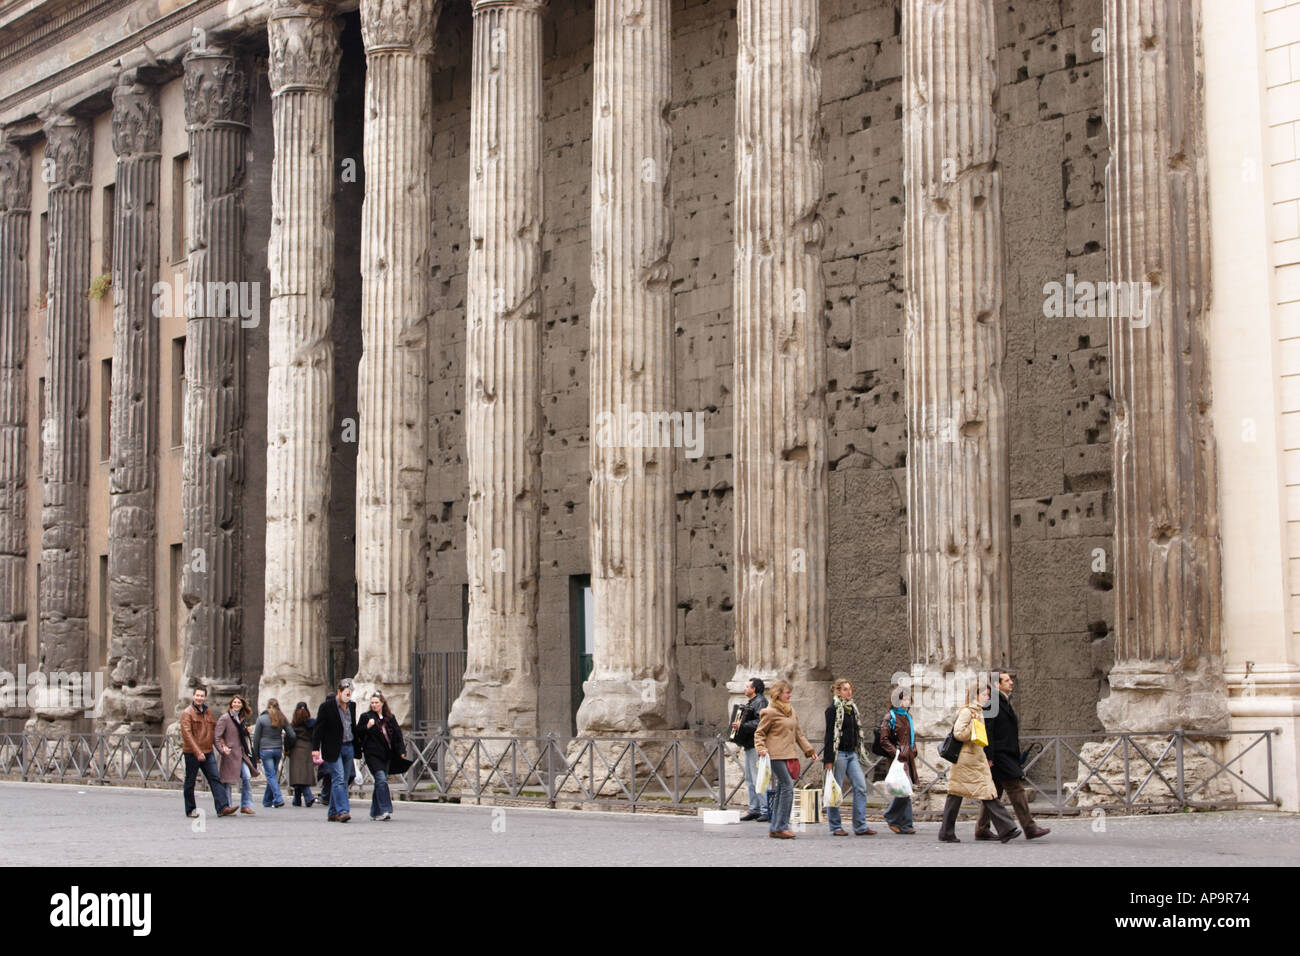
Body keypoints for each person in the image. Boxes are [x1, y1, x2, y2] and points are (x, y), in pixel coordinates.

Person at [937, 680, 1019, 844]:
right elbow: (959, 733)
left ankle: (946, 832)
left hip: (973, 759)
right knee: (986, 792)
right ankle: (1007, 828)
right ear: (975, 695)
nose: (987, 698)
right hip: (967, 761)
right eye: (984, 694)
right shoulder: (968, 711)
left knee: (957, 794)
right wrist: (974, 725)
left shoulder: (978, 711)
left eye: (988, 695)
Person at [975, 671, 1050, 841]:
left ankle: (981, 828)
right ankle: (1029, 827)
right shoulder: (993, 702)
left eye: (1010, 679)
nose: (1011, 682)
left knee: (993, 792)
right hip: (1000, 755)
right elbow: (988, 730)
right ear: (997, 684)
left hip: (1005, 754)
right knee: (1016, 789)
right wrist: (989, 756)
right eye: (1006, 680)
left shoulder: (1003, 700)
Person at [754, 679, 818, 839]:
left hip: (789, 753)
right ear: (778, 694)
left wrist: (809, 751)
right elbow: (759, 733)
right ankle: (781, 826)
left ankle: (775, 827)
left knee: (783, 788)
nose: (789, 695)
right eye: (787, 692)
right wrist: (761, 748)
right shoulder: (769, 712)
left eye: (790, 692)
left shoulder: (791, 710)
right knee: (788, 787)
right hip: (775, 755)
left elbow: (799, 733)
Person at [822, 678, 876, 836]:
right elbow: (829, 735)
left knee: (861, 787)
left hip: (851, 753)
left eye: (850, 689)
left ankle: (860, 825)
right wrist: (829, 760)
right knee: (835, 790)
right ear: (838, 691)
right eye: (845, 689)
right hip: (839, 754)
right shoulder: (832, 710)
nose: (849, 692)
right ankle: (835, 826)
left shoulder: (852, 708)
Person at [180, 684, 233, 818]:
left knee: (215, 778)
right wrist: (198, 752)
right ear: (193, 696)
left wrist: (222, 746)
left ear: (205, 697)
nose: (199, 698)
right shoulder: (187, 713)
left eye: (202, 696)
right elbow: (187, 735)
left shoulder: (209, 712)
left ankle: (222, 807)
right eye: (197, 695)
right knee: (190, 781)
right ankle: (190, 809)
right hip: (192, 752)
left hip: (208, 751)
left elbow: (215, 732)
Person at [354, 691, 407, 821]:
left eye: (376, 702)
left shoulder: (390, 718)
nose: (374, 705)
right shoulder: (366, 717)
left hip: (387, 754)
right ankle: (384, 809)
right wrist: (367, 726)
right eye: (372, 703)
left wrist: (401, 750)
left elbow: (397, 735)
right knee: (381, 779)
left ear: (382, 703)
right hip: (372, 754)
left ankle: (375, 812)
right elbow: (358, 733)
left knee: (380, 782)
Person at [312, 678, 358, 823]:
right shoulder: (326, 707)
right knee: (338, 779)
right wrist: (315, 748)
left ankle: (332, 812)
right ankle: (343, 810)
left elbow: (353, 726)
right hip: (332, 748)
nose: (348, 696)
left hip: (348, 746)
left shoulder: (352, 706)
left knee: (342, 781)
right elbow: (318, 728)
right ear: (339, 692)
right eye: (346, 693)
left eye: (350, 694)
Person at [731, 677, 771, 822]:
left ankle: (765, 809)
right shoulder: (752, 702)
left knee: (758, 777)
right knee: (750, 779)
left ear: (754, 689)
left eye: (747, 686)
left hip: (756, 745)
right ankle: (755, 808)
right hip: (749, 744)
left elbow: (761, 722)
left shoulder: (760, 701)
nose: (745, 688)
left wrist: (742, 725)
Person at [879, 687, 918, 834]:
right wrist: (895, 752)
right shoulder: (890, 717)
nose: (905, 702)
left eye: (908, 699)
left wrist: (913, 748)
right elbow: (884, 739)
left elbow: (910, 736)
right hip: (897, 757)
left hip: (907, 756)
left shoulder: (908, 717)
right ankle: (891, 816)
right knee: (904, 788)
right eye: (903, 699)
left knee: (905, 789)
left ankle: (906, 824)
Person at [214, 694, 259, 815]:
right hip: (229, 754)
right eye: (234, 702)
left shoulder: (241, 718)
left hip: (241, 754)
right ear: (231, 704)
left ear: (242, 705)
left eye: (239, 703)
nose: (236, 704)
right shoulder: (225, 718)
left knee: (247, 776)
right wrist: (222, 749)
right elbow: (217, 736)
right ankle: (227, 806)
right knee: (227, 781)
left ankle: (246, 805)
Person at [252, 698, 296, 809]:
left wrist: (256, 755)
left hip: (265, 750)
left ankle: (278, 798)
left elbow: (256, 739)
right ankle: (267, 800)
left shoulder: (261, 719)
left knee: (270, 775)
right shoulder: (282, 718)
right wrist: (287, 746)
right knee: (272, 775)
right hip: (277, 749)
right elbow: (292, 734)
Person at [287, 701, 318, 807]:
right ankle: (297, 800)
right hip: (308, 748)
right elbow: (315, 736)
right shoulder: (311, 724)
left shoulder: (293, 724)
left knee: (298, 776)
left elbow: (289, 737)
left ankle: (308, 796)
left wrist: (287, 750)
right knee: (302, 775)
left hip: (296, 749)